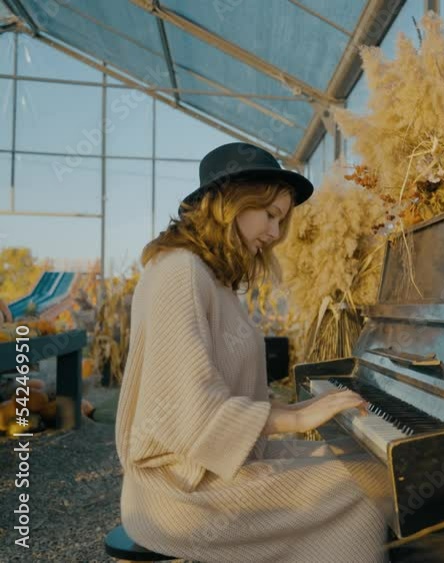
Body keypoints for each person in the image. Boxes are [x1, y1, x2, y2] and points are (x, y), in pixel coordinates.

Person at [114, 142, 391, 562]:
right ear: (231, 203)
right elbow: (189, 412)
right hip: (181, 493)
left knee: (367, 464)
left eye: (280, 220)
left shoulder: (208, 276)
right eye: (270, 215)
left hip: (212, 466)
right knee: (365, 487)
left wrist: (297, 406)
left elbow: (220, 390)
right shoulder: (181, 272)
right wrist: (296, 419)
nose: (275, 233)